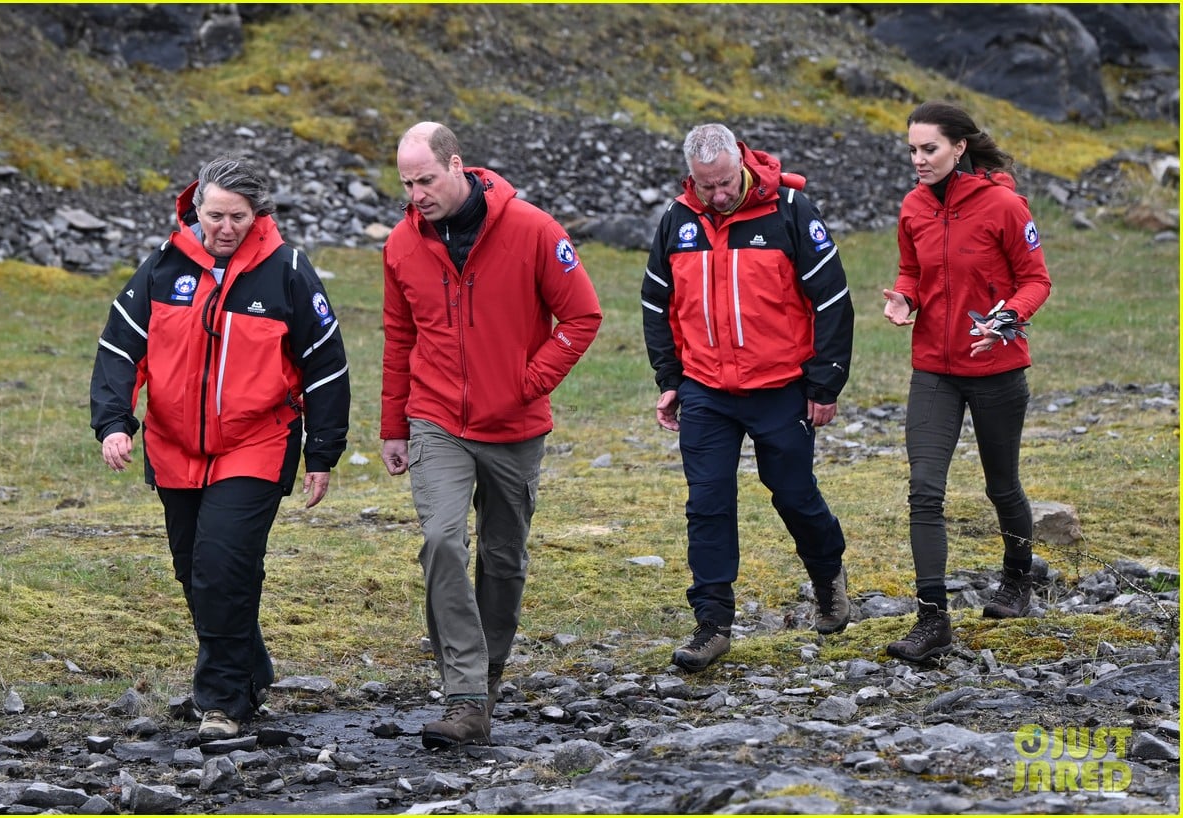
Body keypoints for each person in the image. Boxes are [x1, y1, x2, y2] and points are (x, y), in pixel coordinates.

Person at [90, 156, 351, 740]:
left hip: (258, 443)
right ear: (195, 208)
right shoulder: (162, 266)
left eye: (238, 216)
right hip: (174, 446)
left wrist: (323, 453)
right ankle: (251, 668)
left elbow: (325, 366)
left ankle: (223, 703)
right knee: (194, 570)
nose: (225, 227)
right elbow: (119, 349)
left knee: (221, 567)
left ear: (258, 213)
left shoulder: (287, 271)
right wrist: (113, 423)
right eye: (214, 215)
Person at [380, 122, 602, 748]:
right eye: (406, 183)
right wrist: (393, 425)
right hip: (436, 420)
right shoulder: (401, 246)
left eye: (425, 179)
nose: (416, 193)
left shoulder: (532, 228)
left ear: (457, 165)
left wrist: (531, 380)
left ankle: (490, 671)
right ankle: (466, 695)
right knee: (442, 541)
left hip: (514, 424)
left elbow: (582, 315)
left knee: (502, 557)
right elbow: (400, 340)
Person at [641, 123, 855, 673]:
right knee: (707, 502)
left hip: (781, 387)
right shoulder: (676, 220)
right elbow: (654, 305)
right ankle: (712, 623)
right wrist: (670, 380)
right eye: (705, 185)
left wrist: (824, 382)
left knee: (793, 494)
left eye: (725, 182)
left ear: (741, 160)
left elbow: (832, 298)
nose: (717, 195)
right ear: (691, 176)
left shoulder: (790, 210)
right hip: (706, 391)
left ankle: (827, 573)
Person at [882, 101, 1052, 663]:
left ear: (959, 147)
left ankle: (1017, 582)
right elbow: (913, 270)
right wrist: (905, 297)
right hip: (934, 368)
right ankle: (932, 620)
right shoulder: (912, 206)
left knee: (1002, 486)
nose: (919, 159)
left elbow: (1035, 280)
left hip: (998, 370)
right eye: (912, 150)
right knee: (924, 489)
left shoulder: (1003, 205)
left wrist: (1006, 320)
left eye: (928, 148)